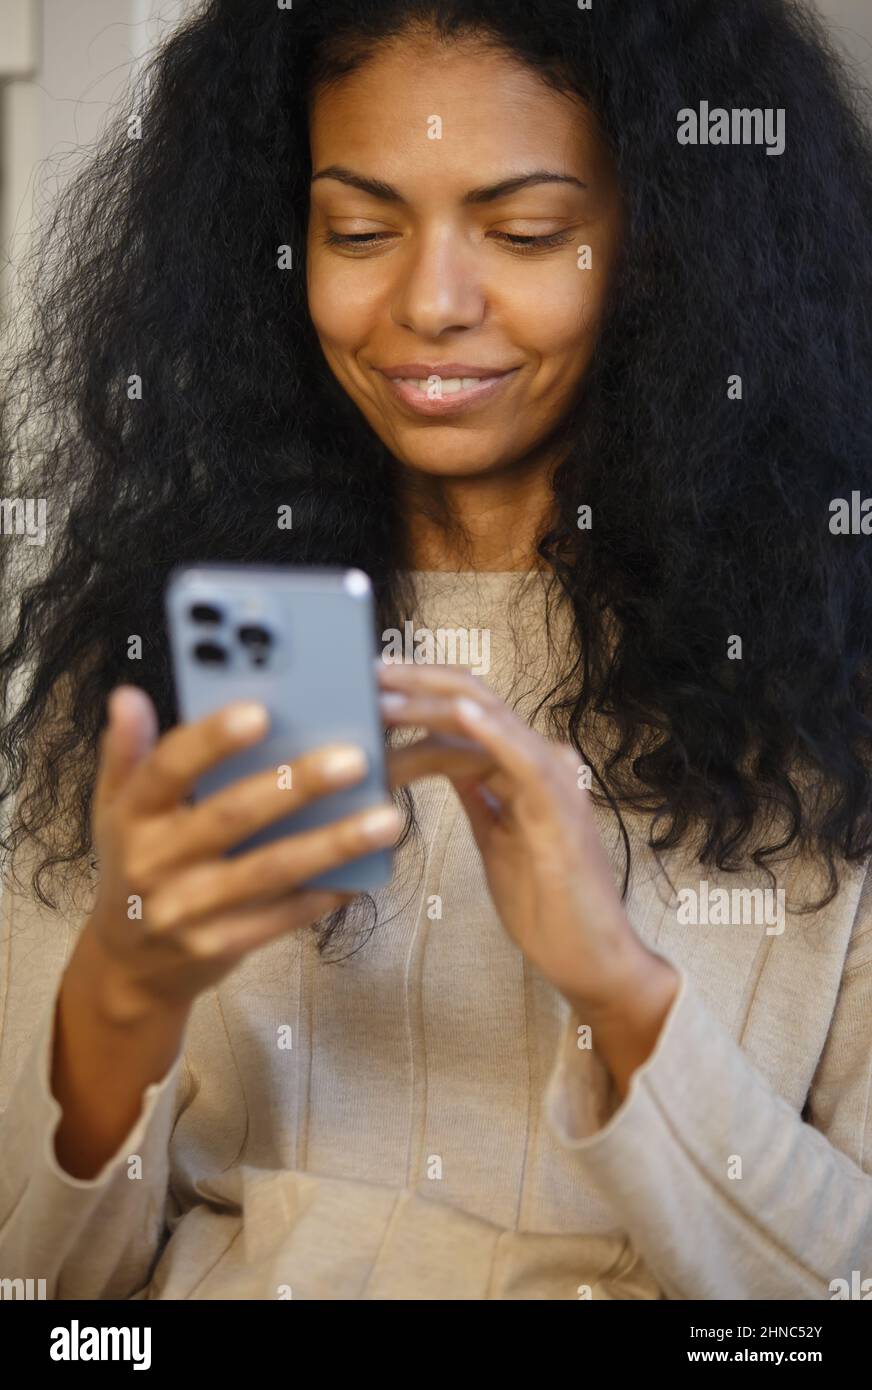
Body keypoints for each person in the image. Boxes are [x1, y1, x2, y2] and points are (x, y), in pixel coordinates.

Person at [1, 0, 871, 1301]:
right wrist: (120, 1001)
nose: (428, 304)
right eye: (359, 229)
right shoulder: (167, 654)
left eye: (526, 233)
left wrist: (616, 983)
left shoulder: (828, 681)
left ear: (669, 245)